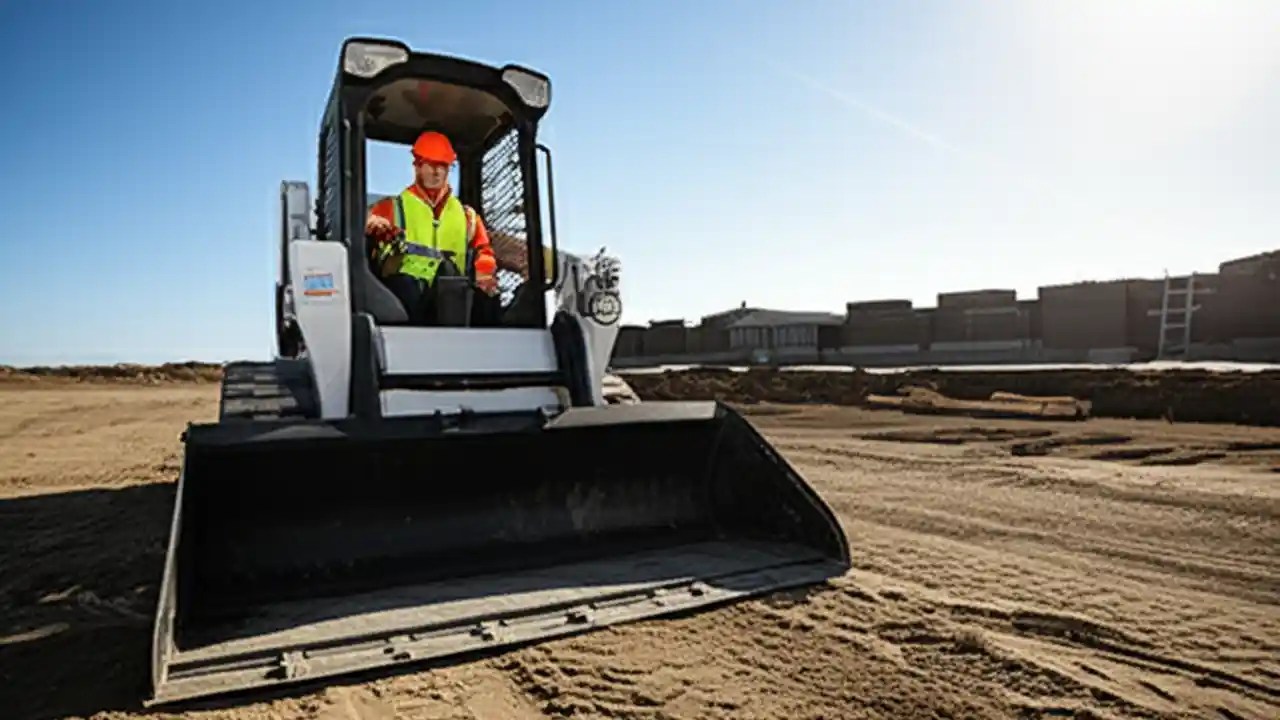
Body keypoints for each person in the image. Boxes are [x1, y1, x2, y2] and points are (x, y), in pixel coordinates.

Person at [365, 131, 500, 325]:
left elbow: (483, 250)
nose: (436, 172)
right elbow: (366, 223)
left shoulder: (468, 216)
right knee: (406, 285)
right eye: (430, 164)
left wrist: (485, 274)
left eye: (443, 166)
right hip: (406, 301)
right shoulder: (392, 207)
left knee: (485, 302)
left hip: (451, 301)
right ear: (417, 166)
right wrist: (373, 225)